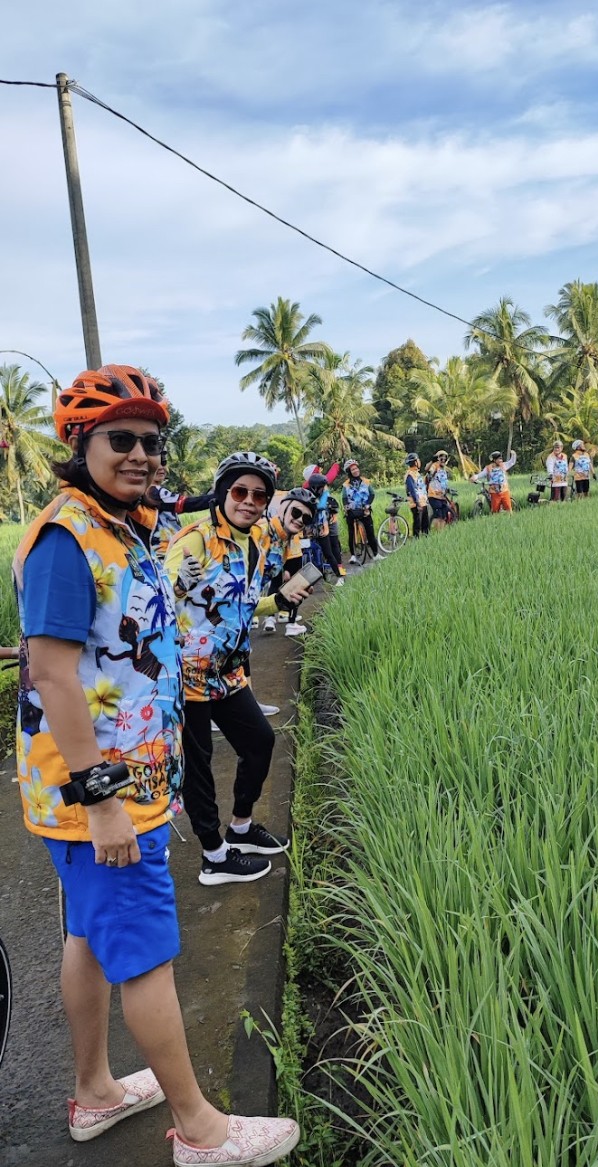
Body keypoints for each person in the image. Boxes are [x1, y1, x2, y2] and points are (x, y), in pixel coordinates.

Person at [12, 366, 298, 1163]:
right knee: (144, 951)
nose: (141, 454)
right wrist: (103, 800)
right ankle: (202, 1129)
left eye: (151, 441)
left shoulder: (122, 526)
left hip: (115, 784)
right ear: (79, 443)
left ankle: (97, 1090)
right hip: (97, 796)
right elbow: (56, 673)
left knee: (90, 937)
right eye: (120, 439)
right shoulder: (69, 538)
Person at [164, 453, 312, 888]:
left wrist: (281, 601)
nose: (249, 501)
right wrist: (177, 584)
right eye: (240, 491)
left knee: (260, 742)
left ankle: (241, 828)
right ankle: (213, 855)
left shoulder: (256, 543)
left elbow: (244, 607)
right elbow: (160, 593)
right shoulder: (194, 540)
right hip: (189, 675)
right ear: (222, 493)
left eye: (259, 495)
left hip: (228, 672)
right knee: (199, 764)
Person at [256, 487, 318, 639]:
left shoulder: (284, 541)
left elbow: (245, 602)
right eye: (295, 512)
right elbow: (232, 600)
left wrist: (279, 601)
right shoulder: (259, 533)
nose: (299, 520)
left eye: (306, 519)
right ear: (282, 508)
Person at [145, 456, 213, 562]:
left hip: (169, 549)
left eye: (163, 463)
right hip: (163, 553)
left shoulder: (151, 492)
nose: (161, 467)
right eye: (155, 463)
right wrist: (219, 497)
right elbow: (188, 504)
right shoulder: (153, 491)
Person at [306, 473, 346, 585]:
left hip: (324, 527)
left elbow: (326, 510)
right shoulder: (307, 494)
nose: (324, 488)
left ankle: (340, 575)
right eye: (323, 486)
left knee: (330, 552)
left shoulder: (326, 496)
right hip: (309, 527)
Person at [341, 458, 382, 562]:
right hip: (352, 511)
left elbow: (372, 494)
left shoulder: (365, 481)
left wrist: (368, 504)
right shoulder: (346, 485)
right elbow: (344, 498)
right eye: (353, 469)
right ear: (349, 472)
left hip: (364, 510)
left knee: (370, 532)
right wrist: (346, 506)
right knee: (351, 533)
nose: (355, 470)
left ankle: (376, 554)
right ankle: (353, 555)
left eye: (356, 468)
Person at [404, 453, 429, 537]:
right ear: (415, 462)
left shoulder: (416, 473)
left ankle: (427, 540)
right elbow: (412, 491)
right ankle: (416, 540)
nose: (419, 462)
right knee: (417, 524)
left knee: (425, 524)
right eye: (418, 460)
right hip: (416, 504)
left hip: (423, 502)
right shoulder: (410, 475)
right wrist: (417, 503)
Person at [425, 450, 451, 530]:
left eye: (444, 459)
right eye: (441, 458)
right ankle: (437, 533)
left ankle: (441, 534)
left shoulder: (444, 470)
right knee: (438, 516)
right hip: (434, 496)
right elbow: (427, 469)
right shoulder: (435, 466)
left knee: (443, 516)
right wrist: (432, 462)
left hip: (442, 497)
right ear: (437, 458)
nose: (443, 460)